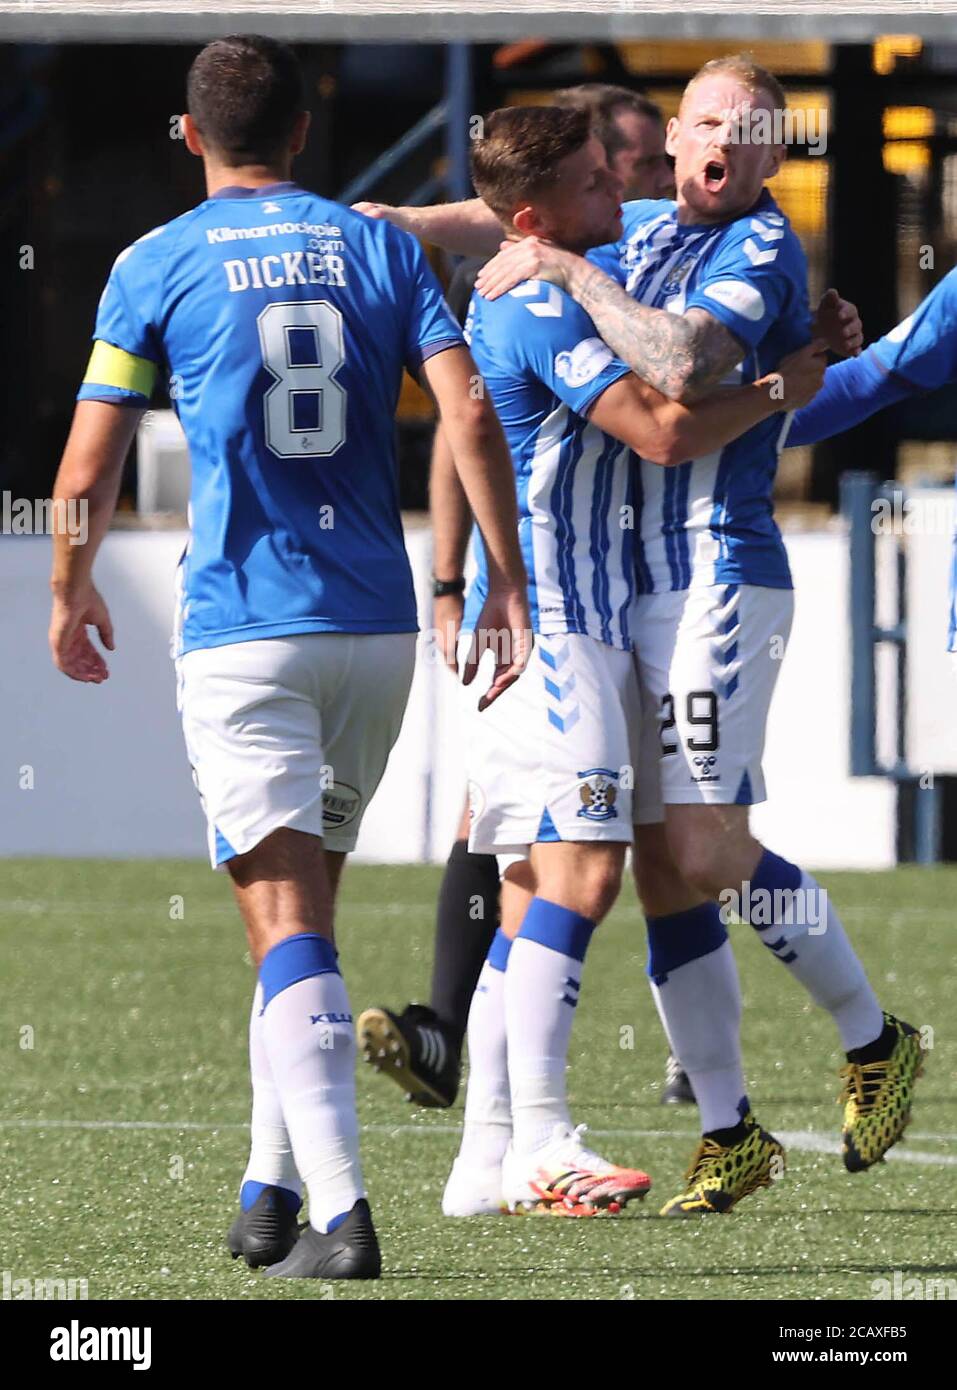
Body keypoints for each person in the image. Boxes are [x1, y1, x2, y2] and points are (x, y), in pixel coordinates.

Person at [360, 54, 924, 1214]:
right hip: (616, 597)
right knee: (651, 872)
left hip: (714, 571)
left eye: (756, 129)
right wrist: (406, 219)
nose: (728, 142)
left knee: (700, 853)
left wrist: (559, 260)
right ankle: (722, 1127)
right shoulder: (646, 217)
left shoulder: (759, 248)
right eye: (709, 120)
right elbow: (522, 199)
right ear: (669, 143)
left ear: (777, 155)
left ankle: (874, 1040)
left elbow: (673, 375)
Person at [47, 34, 530, 1281]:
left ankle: (346, 1213)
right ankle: (268, 1190)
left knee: (284, 921)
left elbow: (88, 468)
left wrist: (69, 588)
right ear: (306, 133)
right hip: (376, 631)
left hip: (248, 632)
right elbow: (468, 409)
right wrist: (504, 578)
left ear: (191, 135)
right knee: (298, 918)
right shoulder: (381, 244)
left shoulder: (153, 261)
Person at [356, 83, 683, 1109]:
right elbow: (484, 436)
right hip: (557, 608)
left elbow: (475, 425)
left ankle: (491, 1122)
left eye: (627, 164)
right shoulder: (530, 289)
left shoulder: (598, 252)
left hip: (576, 602)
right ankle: (526, 1122)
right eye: (605, 170)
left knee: (559, 862)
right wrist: (459, 577)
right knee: (567, 861)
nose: (628, 183)